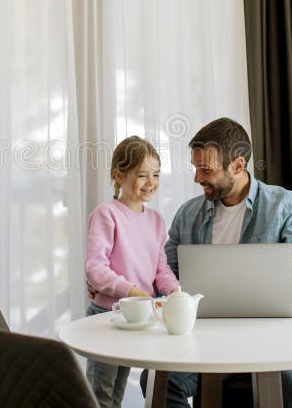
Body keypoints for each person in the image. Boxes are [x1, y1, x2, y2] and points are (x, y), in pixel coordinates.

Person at [140, 117, 292, 408]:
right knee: (159, 381)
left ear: (237, 166)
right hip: (207, 342)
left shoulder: (285, 205)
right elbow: (164, 274)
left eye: (206, 170)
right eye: (195, 168)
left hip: (275, 343)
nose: (197, 178)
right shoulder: (188, 214)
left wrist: (264, 282)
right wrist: (122, 284)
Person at [85, 136, 181, 408]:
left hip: (137, 318)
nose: (151, 182)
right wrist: (132, 291)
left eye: (156, 174)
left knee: (116, 392)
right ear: (118, 175)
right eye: (142, 175)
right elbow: (95, 268)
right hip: (107, 317)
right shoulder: (106, 214)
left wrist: (174, 289)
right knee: (99, 394)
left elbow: (159, 268)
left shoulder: (156, 221)